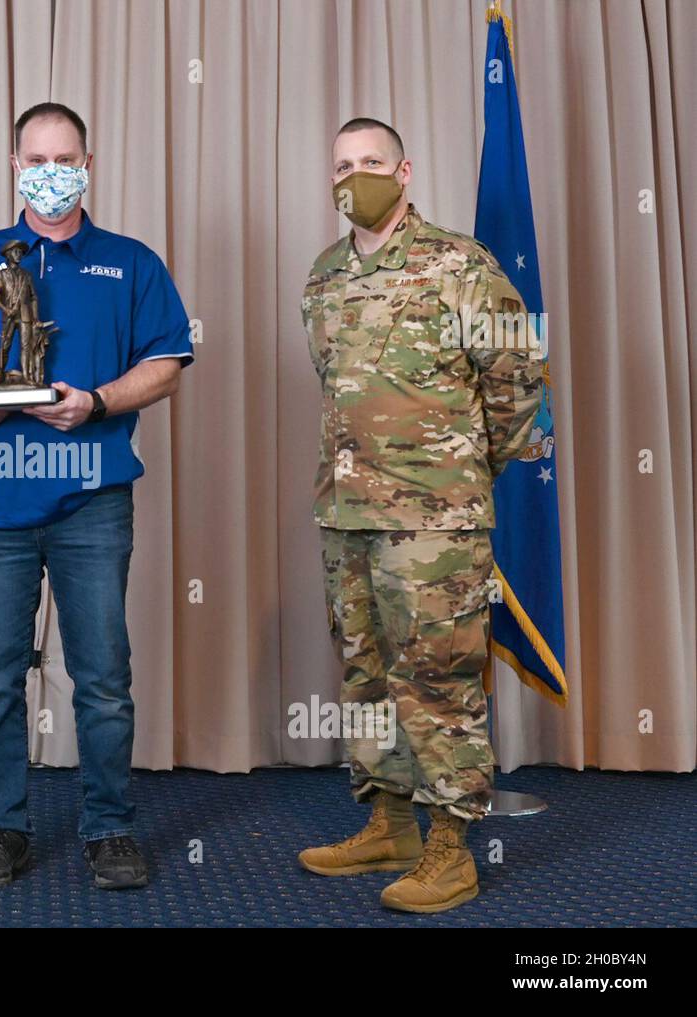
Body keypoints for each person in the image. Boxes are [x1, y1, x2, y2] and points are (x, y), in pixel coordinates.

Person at [0, 102, 193, 889]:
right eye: (36, 157)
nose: (51, 170)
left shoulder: (131, 262)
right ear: (14, 165)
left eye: (64, 157)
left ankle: (110, 827)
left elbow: (168, 363)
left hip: (93, 500)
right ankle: (1, 827)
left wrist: (97, 401)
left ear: (88, 162)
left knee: (103, 675)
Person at [296, 118, 543, 912]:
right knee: (366, 673)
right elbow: (335, 384)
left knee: (436, 679)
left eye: (370, 162)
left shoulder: (461, 265)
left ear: (405, 170)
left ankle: (452, 844)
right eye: (342, 164)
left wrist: (463, 472)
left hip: (437, 519)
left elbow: (514, 382)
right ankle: (390, 821)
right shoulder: (325, 274)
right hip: (348, 512)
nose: (355, 175)